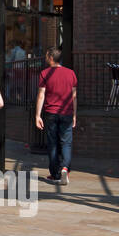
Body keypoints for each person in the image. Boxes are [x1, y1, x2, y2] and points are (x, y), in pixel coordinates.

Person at [35, 47, 78, 185]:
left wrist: (37, 115)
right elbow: (74, 97)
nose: (46, 58)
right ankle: (65, 168)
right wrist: (75, 115)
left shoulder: (45, 73)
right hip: (67, 112)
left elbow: (41, 95)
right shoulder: (71, 73)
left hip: (51, 113)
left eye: (47, 56)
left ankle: (55, 174)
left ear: (51, 58)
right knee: (66, 143)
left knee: (52, 143)